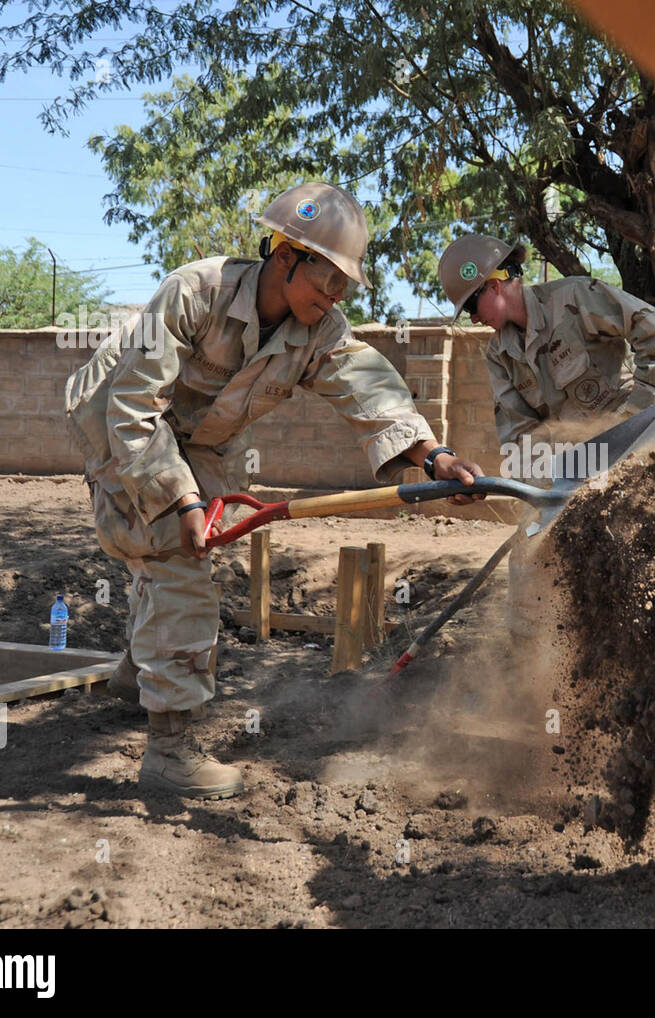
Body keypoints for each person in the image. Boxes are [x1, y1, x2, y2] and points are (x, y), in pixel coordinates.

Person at [65, 182, 485, 800]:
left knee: (175, 554)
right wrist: (180, 500)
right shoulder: (194, 292)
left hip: (202, 440)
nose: (336, 295)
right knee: (176, 556)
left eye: (345, 285)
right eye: (330, 279)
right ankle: (170, 749)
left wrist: (435, 454)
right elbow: (133, 409)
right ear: (287, 256)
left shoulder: (319, 327)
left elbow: (367, 386)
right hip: (119, 421)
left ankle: (136, 675)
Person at [436, 235, 655, 632]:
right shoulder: (499, 353)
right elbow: (519, 433)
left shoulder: (574, 298)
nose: (472, 320)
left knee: (649, 548)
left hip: (637, 451)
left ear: (494, 285)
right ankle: (532, 664)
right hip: (572, 473)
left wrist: (637, 413)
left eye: (471, 307)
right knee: (527, 559)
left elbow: (654, 329)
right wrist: (548, 488)